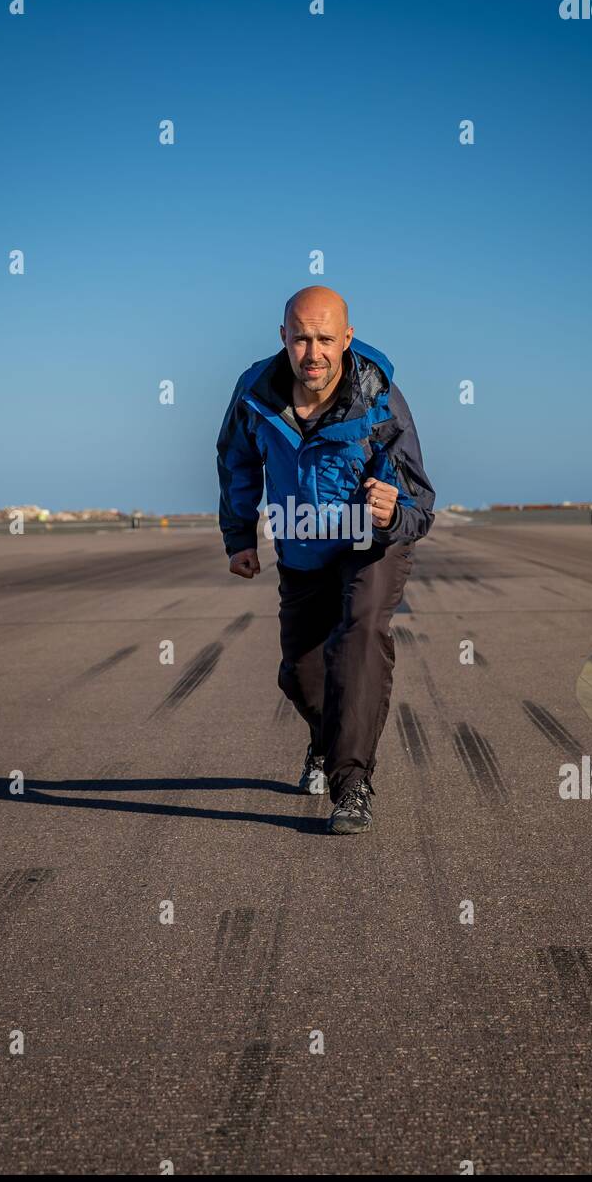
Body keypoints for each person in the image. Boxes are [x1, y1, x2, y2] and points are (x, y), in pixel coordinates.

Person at [216, 286, 435, 834]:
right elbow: (235, 460)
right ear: (283, 338)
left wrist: (391, 514)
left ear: (347, 339)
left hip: (371, 545)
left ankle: (352, 782)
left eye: (325, 339)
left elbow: (419, 504)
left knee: (359, 635)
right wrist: (240, 535)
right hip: (303, 543)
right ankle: (325, 740)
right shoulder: (255, 394)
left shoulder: (379, 398)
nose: (312, 352)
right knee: (301, 673)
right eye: (301, 338)